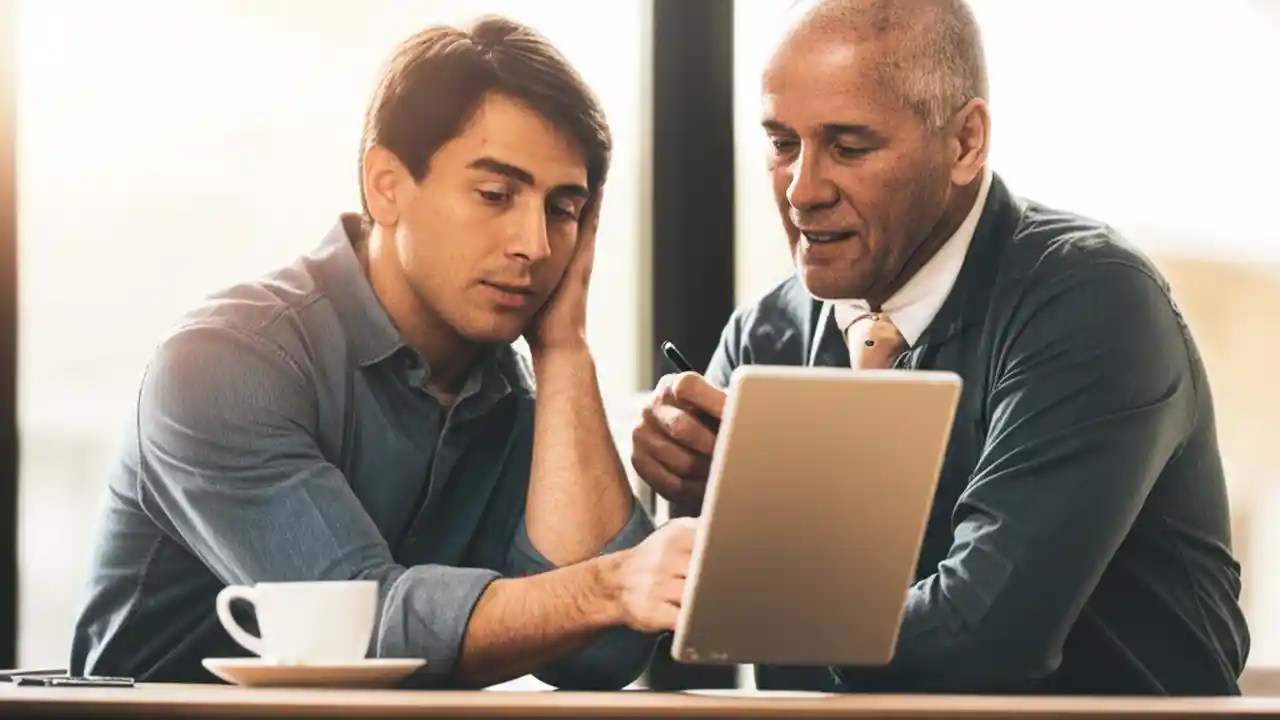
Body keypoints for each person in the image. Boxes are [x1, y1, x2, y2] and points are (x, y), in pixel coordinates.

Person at [632, 0, 1249, 695]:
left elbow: (981, 634)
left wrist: (757, 572)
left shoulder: (1093, 303)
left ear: (964, 144)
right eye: (782, 144)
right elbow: (674, 633)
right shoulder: (763, 336)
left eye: (849, 147)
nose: (801, 189)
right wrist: (682, 503)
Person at [71, 17, 694, 689]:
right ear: (386, 186)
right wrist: (609, 586)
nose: (535, 245)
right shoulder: (223, 363)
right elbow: (354, 631)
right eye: (495, 195)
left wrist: (564, 347)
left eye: (563, 210)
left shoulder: (513, 398)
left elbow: (598, 656)